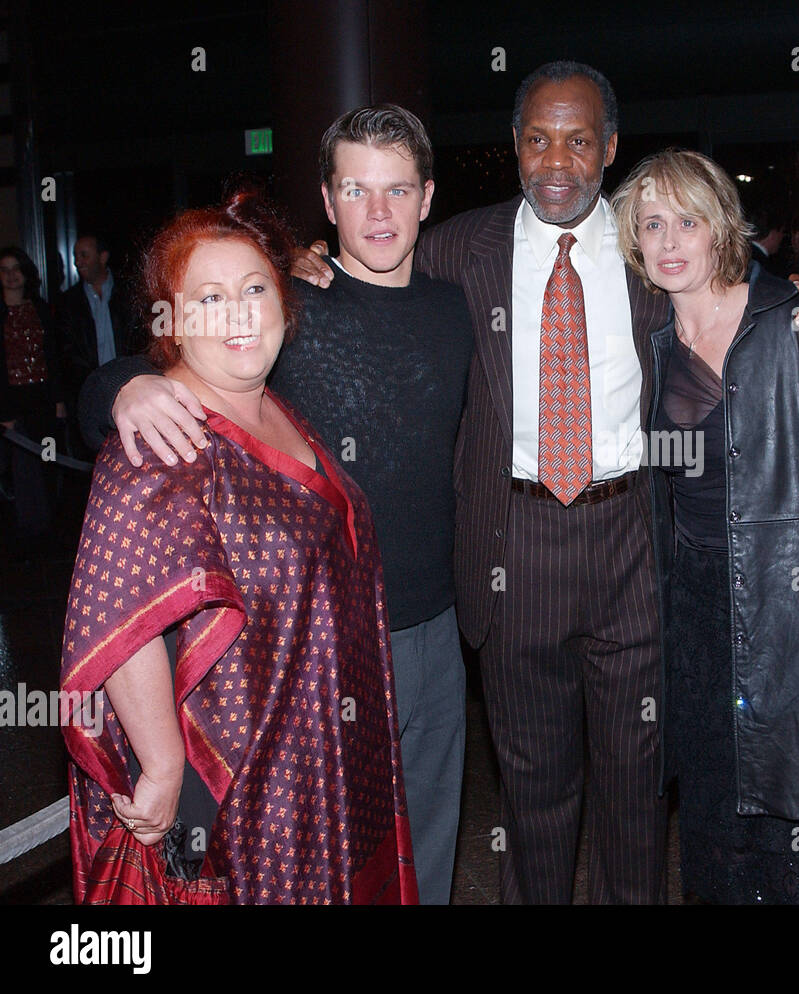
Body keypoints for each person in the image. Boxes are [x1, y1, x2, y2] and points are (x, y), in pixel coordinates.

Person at [293, 60, 799, 904]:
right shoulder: (451, 247)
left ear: (609, 148)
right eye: (538, 138)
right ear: (513, 145)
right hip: (514, 545)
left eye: (578, 140)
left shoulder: (644, 250)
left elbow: (729, 289)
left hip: (632, 542)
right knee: (535, 800)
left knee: (634, 798)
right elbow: (366, 267)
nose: (557, 160)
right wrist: (293, 263)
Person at [77, 105, 474, 905]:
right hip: (300, 664)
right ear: (328, 202)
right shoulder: (284, 304)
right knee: (300, 859)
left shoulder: (455, 308)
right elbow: (137, 379)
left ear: (427, 198)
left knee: (407, 850)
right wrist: (127, 387)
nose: (379, 212)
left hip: (437, 630)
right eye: (356, 191)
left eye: (397, 191)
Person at [610, 148, 799, 903]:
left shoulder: (796, 323)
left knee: (798, 806)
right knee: (713, 807)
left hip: (792, 602)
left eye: (687, 219)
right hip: (691, 611)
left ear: (720, 227)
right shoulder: (646, 344)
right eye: (652, 224)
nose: (670, 239)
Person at [1, 246, 64, 537]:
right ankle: (25, 534)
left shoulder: (40, 308)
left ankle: (52, 530)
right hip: (11, 401)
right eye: (5, 269)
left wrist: (59, 400)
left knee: (48, 464)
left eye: (17, 268)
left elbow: (53, 357)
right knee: (18, 472)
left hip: (42, 398)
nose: (12, 275)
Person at [58, 233, 132, 411]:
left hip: (131, 387)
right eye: (76, 256)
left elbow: (139, 339)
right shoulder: (68, 302)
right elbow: (66, 352)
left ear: (103, 257)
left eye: (84, 255)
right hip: (89, 393)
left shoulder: (128, 294)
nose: (77, 262)